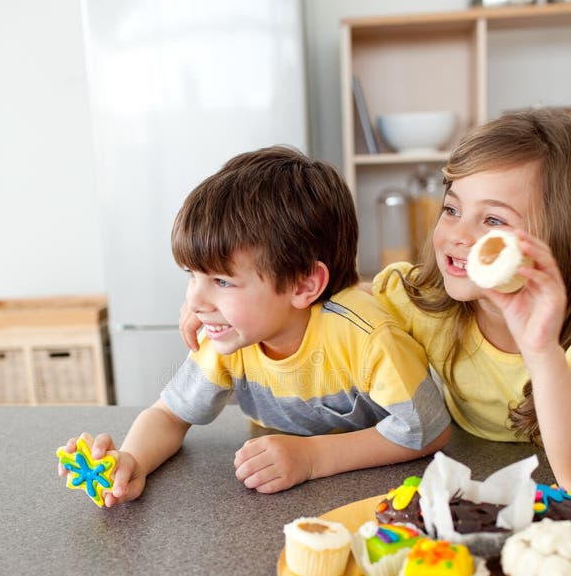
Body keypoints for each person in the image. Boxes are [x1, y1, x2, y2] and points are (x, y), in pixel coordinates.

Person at [180, 109, 571, 491]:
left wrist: (541, 352)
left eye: (494, 220)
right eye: (452, 209)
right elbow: (334, 303)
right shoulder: (417, 299)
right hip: (467, 466)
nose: (458, 234)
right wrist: (215, 302)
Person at [59, 146, 450, 503]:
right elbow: (169, 415)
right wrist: (132, 460)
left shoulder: (368, 339)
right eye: (192, 275)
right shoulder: (231, 337)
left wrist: (312, 458)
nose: (194, 302)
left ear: (303, 284)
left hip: (382, 496)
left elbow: (427, 430)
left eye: (222, 282)